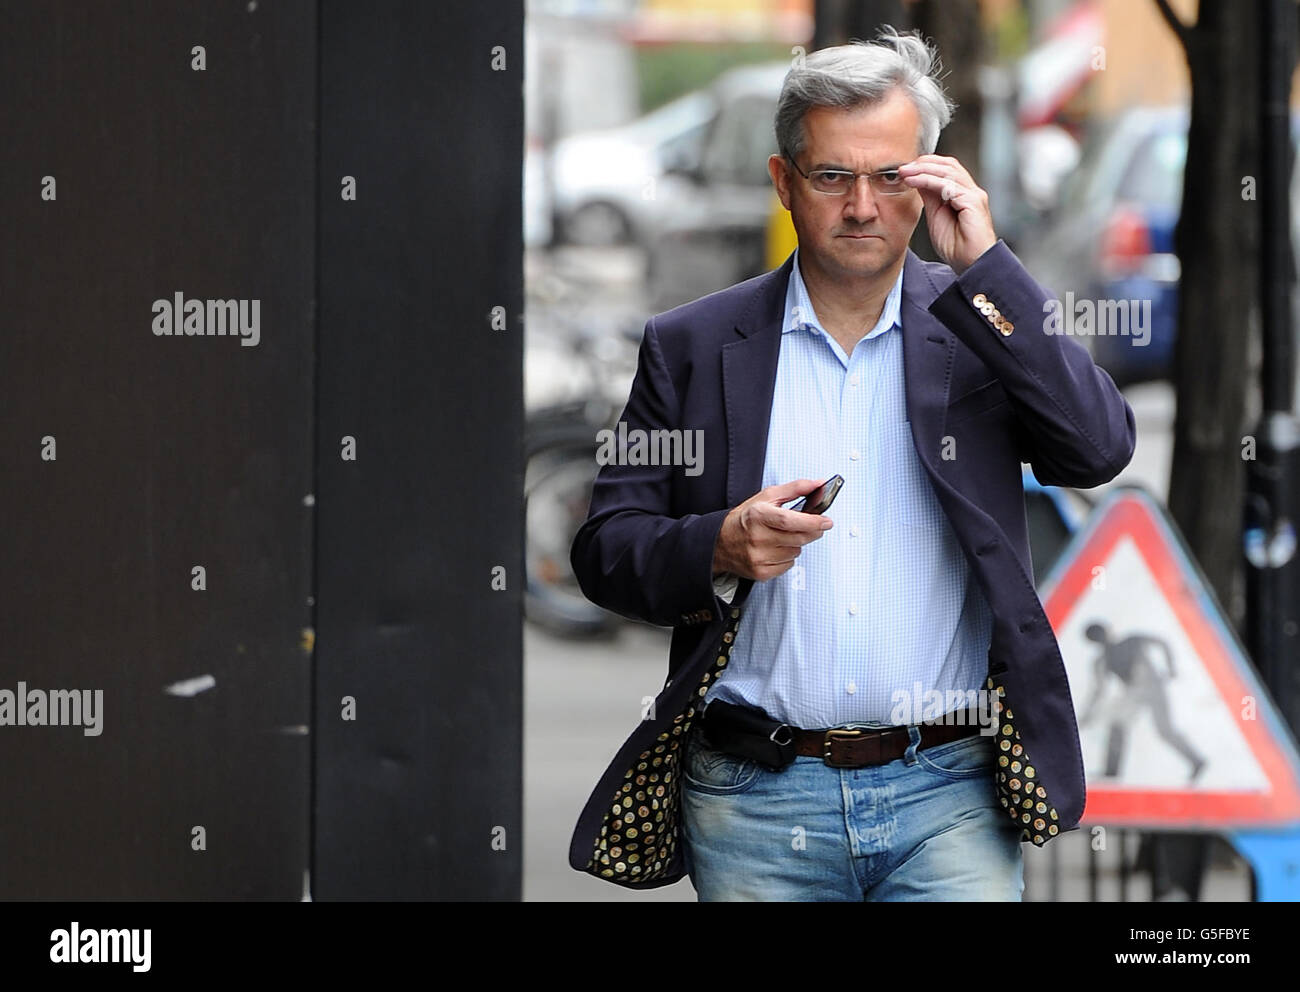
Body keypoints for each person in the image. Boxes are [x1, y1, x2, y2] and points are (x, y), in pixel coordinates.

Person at [567, 27, 1137, 901]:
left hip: (949, 793)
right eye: (834, 176)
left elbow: (1099, 448)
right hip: (753, 799)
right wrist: (718, 544)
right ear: (784, 182)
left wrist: (989, 268)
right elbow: (606, 548)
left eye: (891, 176)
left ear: (932, 180)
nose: (864, 206)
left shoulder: (982, 327)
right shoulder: (691, 346)